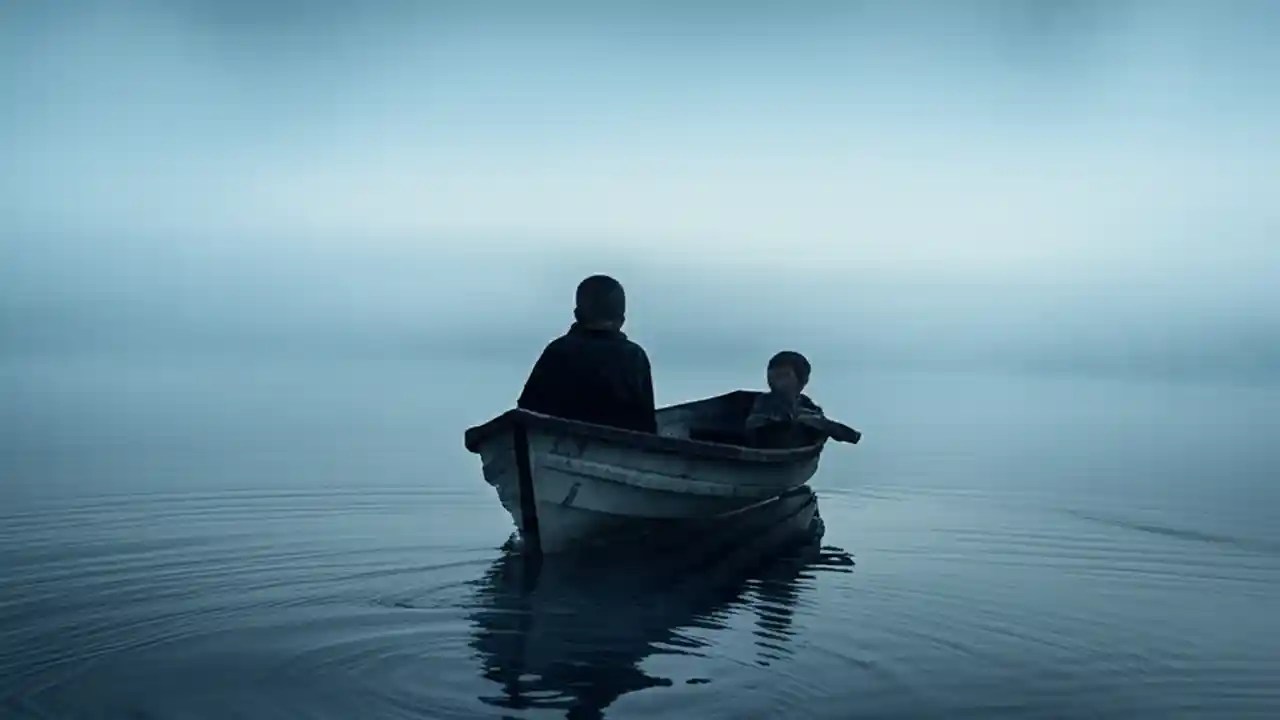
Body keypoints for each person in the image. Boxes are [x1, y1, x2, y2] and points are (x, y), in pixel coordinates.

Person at [516, 275, 657, 433]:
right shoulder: (635, 357)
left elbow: (526, 412)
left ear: (577, 314)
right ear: (622, 319)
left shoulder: (558, 352)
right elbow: (647, 425)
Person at [745, 351, 861, 448]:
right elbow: (754, 423)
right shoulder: (764, 401)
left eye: (783, 376)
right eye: (772, 376)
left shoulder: (807, 405)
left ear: (802, 381)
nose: (776, 382)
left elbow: (829, 426)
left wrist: (812, 421)